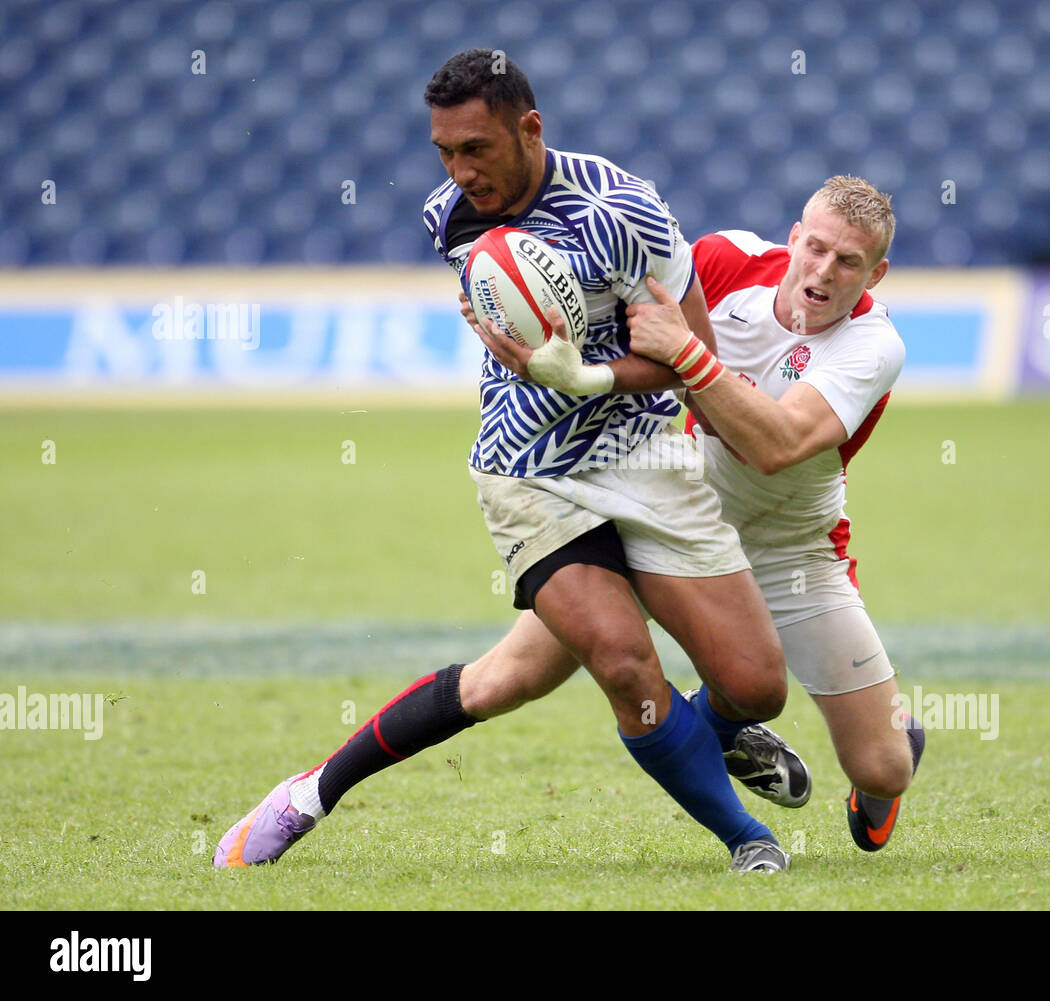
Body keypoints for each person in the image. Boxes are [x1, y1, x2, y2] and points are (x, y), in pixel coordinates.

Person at [213, 48, 805, 875]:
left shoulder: (623, 211)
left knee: (751, 684)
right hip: (530, 468)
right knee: (624, 664)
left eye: (476, 149)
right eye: (444, 153)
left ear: (530, 128)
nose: (459, 172)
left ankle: (715, 733)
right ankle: (749, 838)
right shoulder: (447, 217)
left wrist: (588, 373)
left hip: (646, 453)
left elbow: (696, 354)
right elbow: (502, 304)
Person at [474, 175, 926, 853]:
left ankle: (743, 721)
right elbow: (610, 325)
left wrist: (685, 354)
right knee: (511, 675)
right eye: (818, 249)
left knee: (885, 766)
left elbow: (775, 445)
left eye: (849, 262)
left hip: (794, 549)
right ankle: (311, 793)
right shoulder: (723, 262)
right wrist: (517, 308)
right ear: (795, 238)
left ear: (877, 272)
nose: (825, 271)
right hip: (673, 517)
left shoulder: (874, 344)